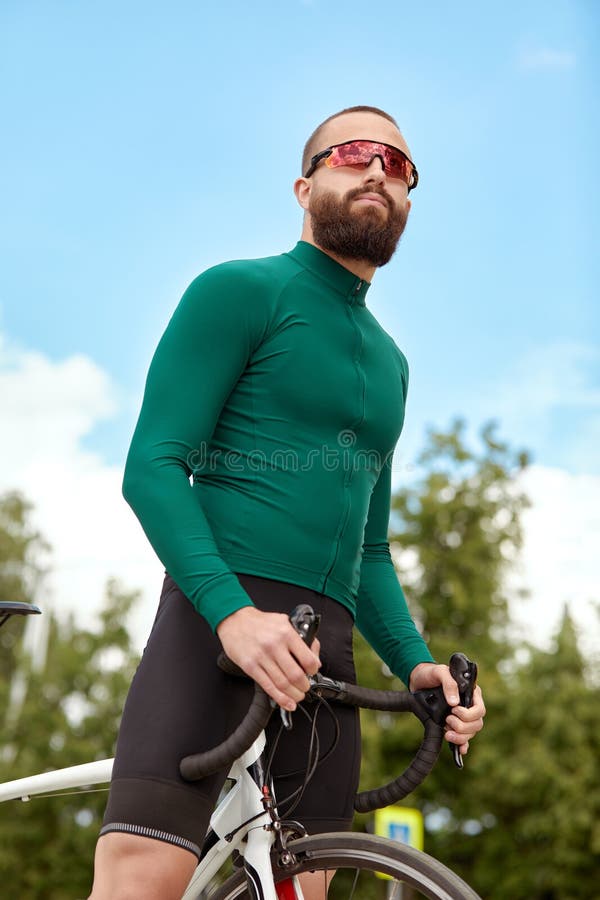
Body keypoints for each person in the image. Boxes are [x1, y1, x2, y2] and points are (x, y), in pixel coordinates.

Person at [88, 105, 486, 900]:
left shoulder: (392, 364)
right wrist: (234, 619)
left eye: (400, 166)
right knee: (142, 879)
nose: (379, 170)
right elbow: (154, 467)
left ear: (408, 203)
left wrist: (415, 663)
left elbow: (368, 551)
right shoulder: (238, 291)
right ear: (305, 186)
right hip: (216, 627)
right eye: (355, 154)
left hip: (325, 659)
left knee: (304, 887)